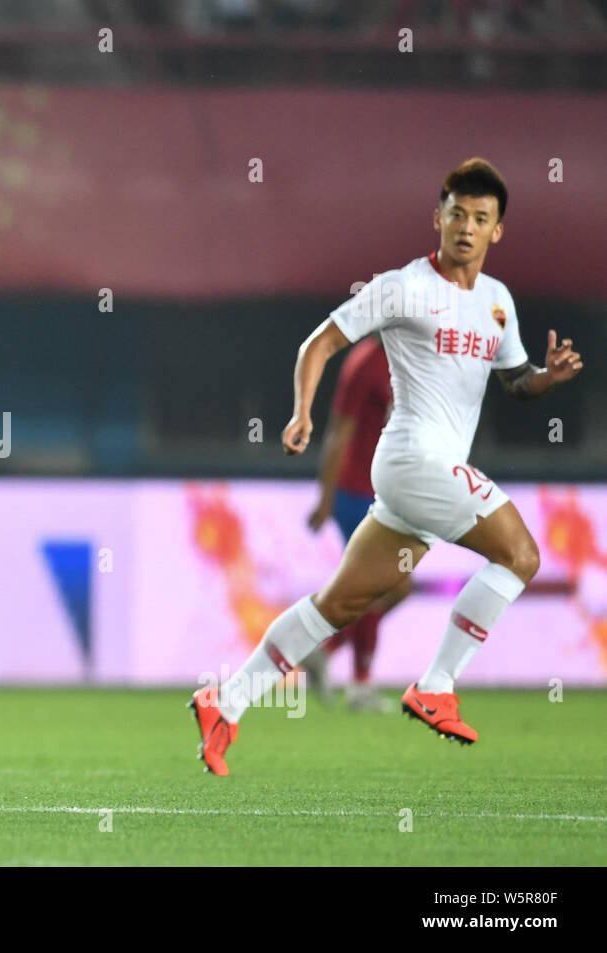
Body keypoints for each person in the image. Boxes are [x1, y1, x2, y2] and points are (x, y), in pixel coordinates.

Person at [191, 158, 583, 774]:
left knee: (339, 605)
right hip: (411, 459)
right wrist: (302, 415)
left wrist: (546, 378)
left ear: (497, 231)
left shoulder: (498, 303)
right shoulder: (403, 287)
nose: (467, 227)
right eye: (457, 213)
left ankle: (226, 701)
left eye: (481, 219)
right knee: (521, 556)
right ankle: (436, 685)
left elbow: (513, 383)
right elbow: (317, 343)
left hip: (420, 483)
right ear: (438, 217)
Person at [302, 334, 408, 711]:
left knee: (392, 588)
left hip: (385, 492)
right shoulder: (365, 363)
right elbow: (340, 430)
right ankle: (360, 687)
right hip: (356, 491)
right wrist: (326, 497)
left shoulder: (411, 357)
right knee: (382, 585)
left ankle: (326, 653)